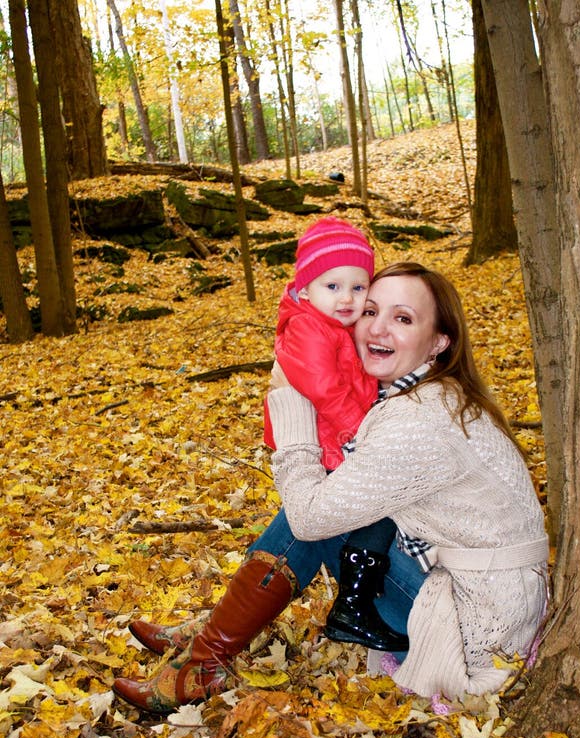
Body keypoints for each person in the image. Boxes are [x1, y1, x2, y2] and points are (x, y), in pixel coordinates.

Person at [113, 261, 548, 714]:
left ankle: (204, 660)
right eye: (370, 311)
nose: (377, 328)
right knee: (330, 505)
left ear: (439, 342)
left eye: (403, 318)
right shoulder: (433, 395)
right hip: (489, 599)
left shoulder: (419, 419)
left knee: (315, 516)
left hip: (476, 625)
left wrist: (292, 410)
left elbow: (309, 518)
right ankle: (210, 640)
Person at [262, 216, 401, 651]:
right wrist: (361, 434)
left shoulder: (335, 326)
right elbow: (326, 390)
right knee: (363, 513)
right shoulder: (307, 328)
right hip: (329, 441)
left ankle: (212, 639)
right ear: (305, 289)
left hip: (335, 438)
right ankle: (354, 605)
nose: (347, 298)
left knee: (314, 523)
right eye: (333, 286)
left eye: (358, 287)